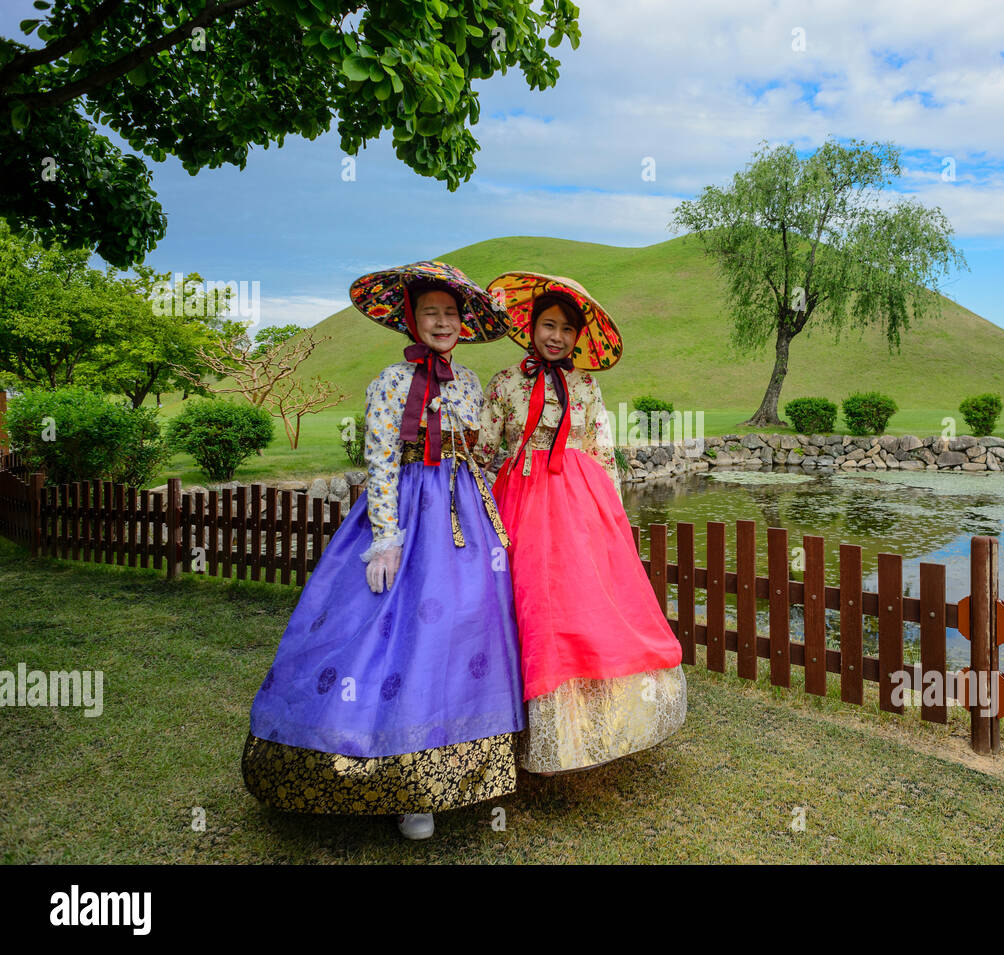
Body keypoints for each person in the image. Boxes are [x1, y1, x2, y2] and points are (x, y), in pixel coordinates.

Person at [240, 261, 524, 840]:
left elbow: (481, 454)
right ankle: (394, 780)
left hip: (462, 517)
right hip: (407, 514)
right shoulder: (390, 384)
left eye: (451, 314)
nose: (442, 323)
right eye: (430, 313)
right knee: (390, 637)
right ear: (412, 321)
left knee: (460, 633)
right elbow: (380, 463)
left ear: (463, 323)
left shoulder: (470, 383)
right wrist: (386, 541)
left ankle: (448, 774)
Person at [477, 272, 686, 775]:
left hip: (575, 503)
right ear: (530, 326)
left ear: (578, 338)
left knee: (576, 601)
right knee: (524, 601)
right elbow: (485, 451)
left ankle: (588, 729)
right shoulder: (506, 382)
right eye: (548, 325)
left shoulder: (586, 386)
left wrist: (611, 515)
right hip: (519, 499)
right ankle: (519, 730)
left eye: (567, 329)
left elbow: (602, 450)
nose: (556, 336)